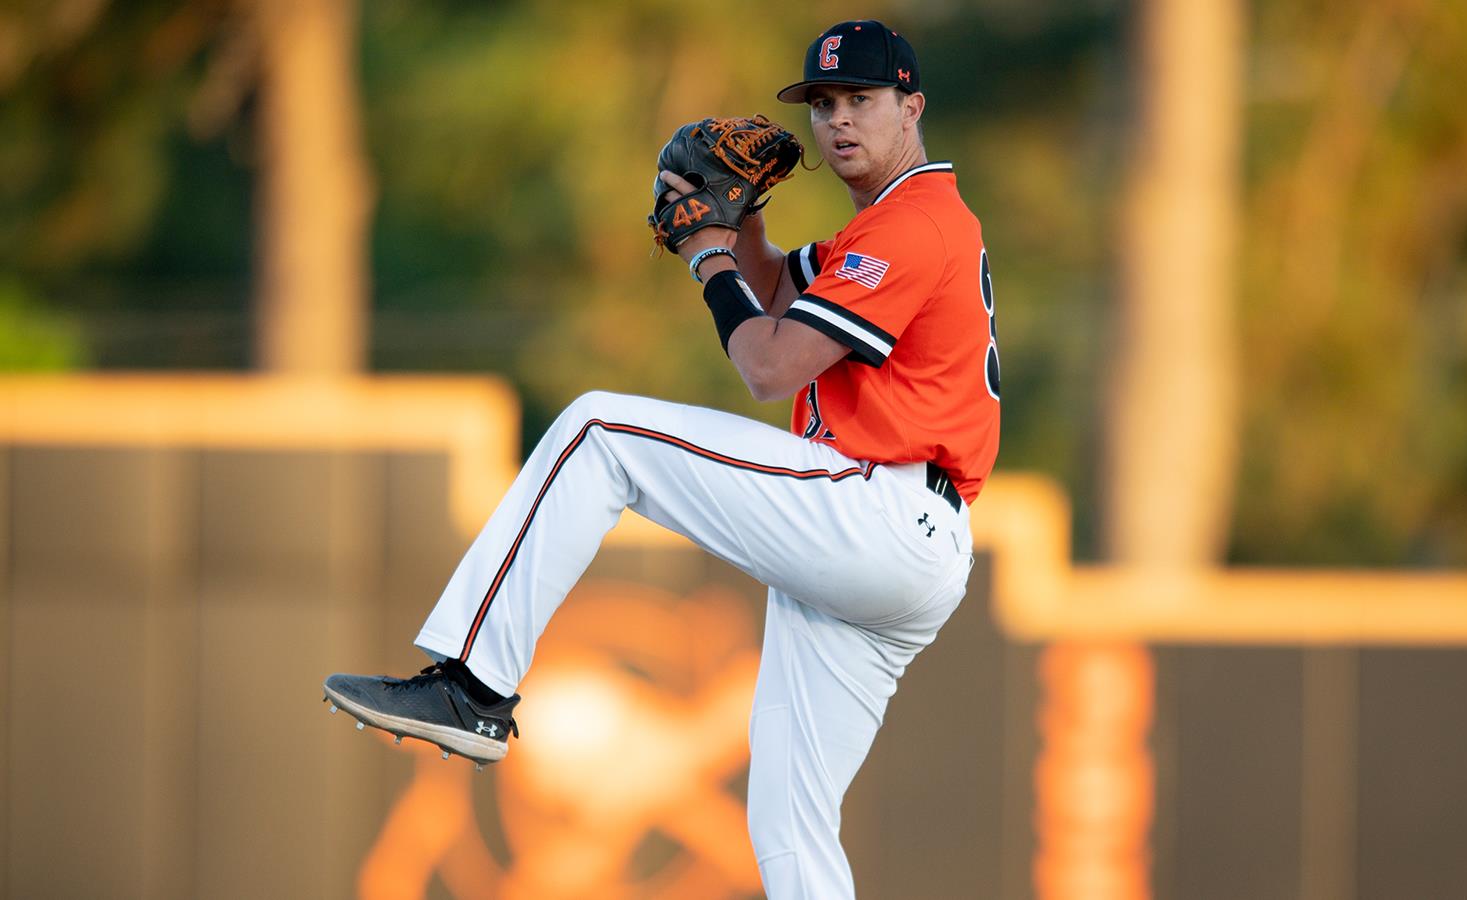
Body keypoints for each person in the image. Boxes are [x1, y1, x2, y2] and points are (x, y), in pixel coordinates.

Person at [324, 18, 1000, 898]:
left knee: (600, 432)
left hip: (878, 512)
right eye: (824, 102)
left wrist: (707, 255)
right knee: (788, 827)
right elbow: (774, 290)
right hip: (903, 545)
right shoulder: (877, 232)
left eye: (862, 100)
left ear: (911, 106)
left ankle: (472, 687)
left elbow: (767, 363)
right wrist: (742, 215)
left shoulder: (915, 226)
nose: (838, 120)